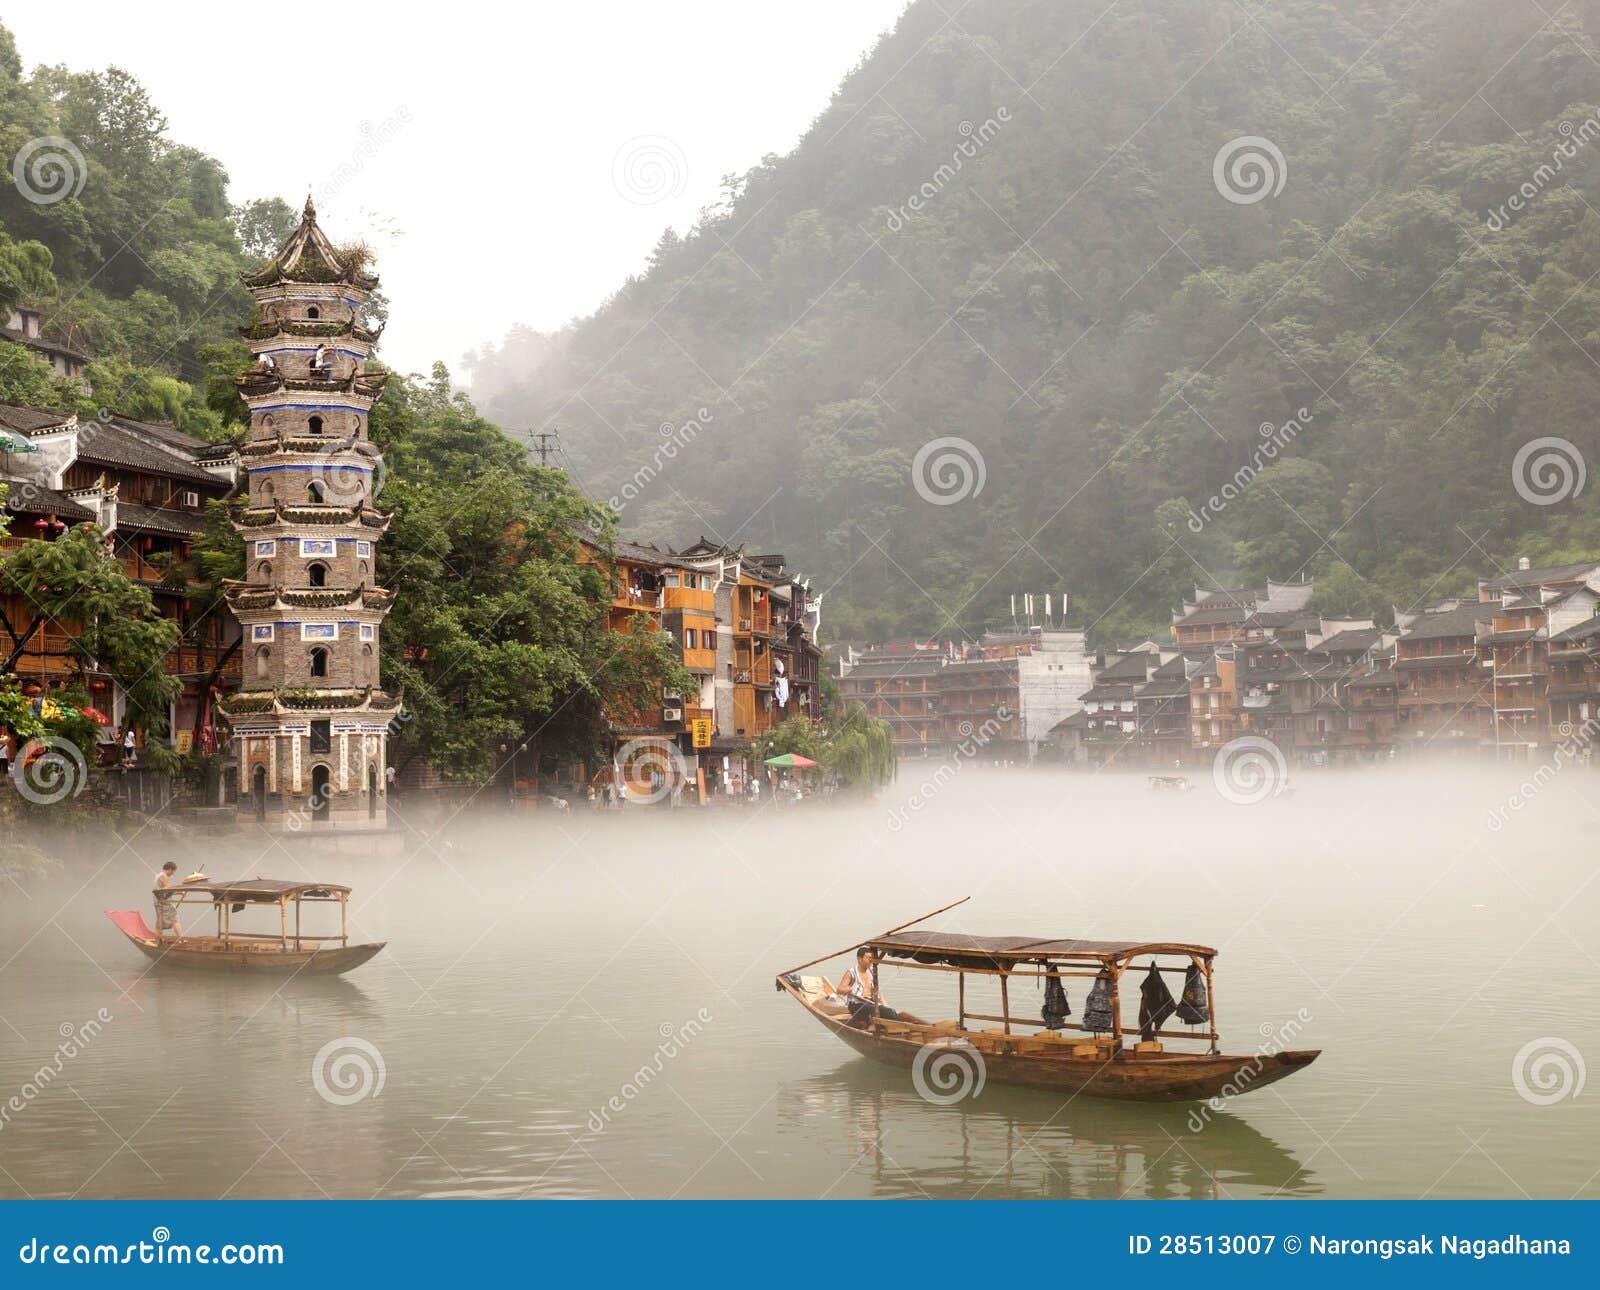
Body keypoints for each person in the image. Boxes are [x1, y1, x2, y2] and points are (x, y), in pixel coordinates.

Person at [837, 946, 900, 1025]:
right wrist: (847, 989)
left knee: (891, 1011)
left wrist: (885, 1004)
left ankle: (900, 1026)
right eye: (868, 958)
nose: (871, 960)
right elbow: (839, 990)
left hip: (871, 1003)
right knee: (882, 1011)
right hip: (856, 1005)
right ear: (859, 959)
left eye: (872, 958)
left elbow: (877, 990)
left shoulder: (871, 971)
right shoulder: (851, 973)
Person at [154, 861, 181, 938]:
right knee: (175, 919)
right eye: (173, 871)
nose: (173, 874)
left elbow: (165, 890)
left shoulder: (158, 875)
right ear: (170, 869)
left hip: (158, 902)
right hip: (164, 903)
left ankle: (157, 940)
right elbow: (169, 889)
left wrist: (179, 892)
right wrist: (180, 892)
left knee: (160, 921)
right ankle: (180, 939)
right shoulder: (164, 876)